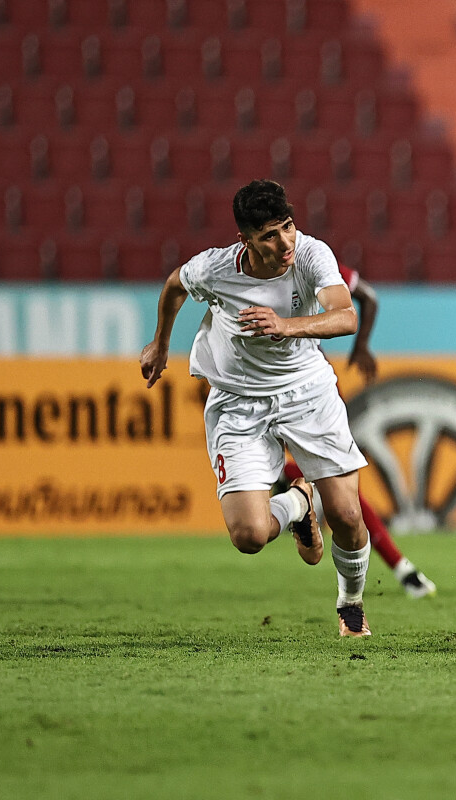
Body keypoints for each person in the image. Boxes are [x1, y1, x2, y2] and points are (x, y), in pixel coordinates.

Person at [140, 179, 374, 637]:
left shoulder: (310, 254)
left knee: (347, 517)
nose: (284, 241)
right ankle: (298, 503)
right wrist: (160, 344)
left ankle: (350, 604)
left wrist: (286, 326)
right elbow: (174, 286)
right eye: (269, 234)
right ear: (245, 239)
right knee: (248, 537)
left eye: (287, 226)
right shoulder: (215, 268)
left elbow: (346, 316)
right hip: (237, 401)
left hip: (307, 392)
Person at [277, 262, 437, 599]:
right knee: (289, 479)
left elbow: (367, 298)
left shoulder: (310, 262)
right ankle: (301, 500)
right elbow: (368, 296)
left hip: (307, 393)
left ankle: (397, 568)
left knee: (340, 492)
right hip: (270, 394)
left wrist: (361, 344)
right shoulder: (245, 269)